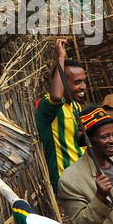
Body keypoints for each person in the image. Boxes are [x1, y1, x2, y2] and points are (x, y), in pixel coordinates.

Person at [37, 39, 89, 192]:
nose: (83, 87)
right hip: (67, 182)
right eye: (77, 82)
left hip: (85, 176)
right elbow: (57, 96)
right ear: (61, 82)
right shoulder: (47, 106)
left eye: (84, 81)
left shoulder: (75, 106)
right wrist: (60, 57)